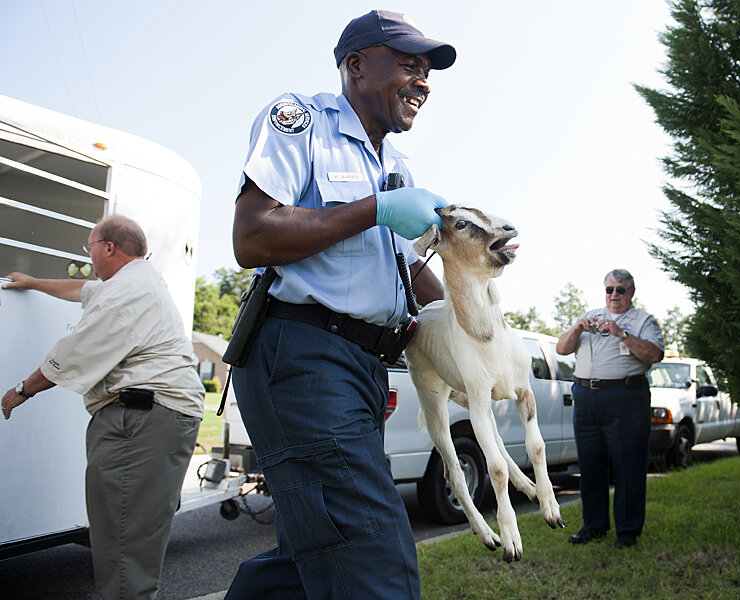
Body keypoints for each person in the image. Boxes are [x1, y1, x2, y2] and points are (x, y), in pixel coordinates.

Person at [222, 10, 455, 600]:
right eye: (409, 64)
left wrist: (472, 323)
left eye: (427, 70)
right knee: (373, 556)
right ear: (355, 65)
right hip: (301, 356)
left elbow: (406, 272)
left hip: (363, 368)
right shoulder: (303, 122)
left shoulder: (396, 166)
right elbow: (251, 236)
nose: (423, 80)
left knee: (310, 549)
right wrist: (372, 209)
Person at [1, 215, 204, 599]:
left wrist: (19, 391)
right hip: (159, 414)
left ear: (108, 247)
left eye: (89, 247)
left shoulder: (125, 293)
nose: (88, 256)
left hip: (142, 417)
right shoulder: (140, 280)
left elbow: (75, 352)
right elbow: (83, 289)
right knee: (130, 535)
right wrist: (34, 283)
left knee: (123, 538)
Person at [556, 269, 664, 549]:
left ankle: (627, 531)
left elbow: (654, 355)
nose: (614, 295)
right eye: (610, 289)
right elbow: (561, 349)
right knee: (590, 464)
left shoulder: (643, 321)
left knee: (627, 465)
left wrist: (620, 333)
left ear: (631, 293)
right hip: (587, 398)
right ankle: (594, 525)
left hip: (625, 398)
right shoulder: (590, 316)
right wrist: (577, 328)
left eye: (621, 289)